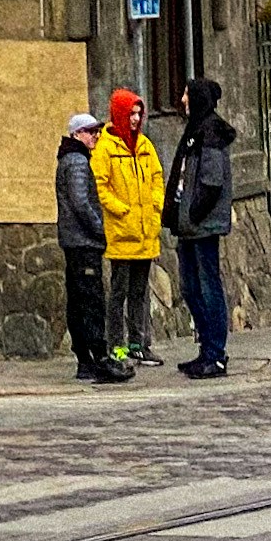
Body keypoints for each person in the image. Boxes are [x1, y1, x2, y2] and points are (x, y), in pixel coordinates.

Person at [165, 71, 236, 378]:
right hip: (189, 225)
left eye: (186, 94)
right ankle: (206, 348)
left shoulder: (210, 134)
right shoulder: (195, 131)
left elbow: (211, 183)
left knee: (208, 287)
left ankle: (215, 354)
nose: (182, 100)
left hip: (202, 226)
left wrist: (192, 214)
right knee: (191, 288)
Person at [91, 84, 164, 378]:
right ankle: (117, 346)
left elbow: (157, 178)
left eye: (138, 113)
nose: (135, 119)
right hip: (121, 231)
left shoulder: (145, 146)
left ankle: (138, 343)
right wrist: (121, 209)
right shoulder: (106, 148)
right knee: (118, 292)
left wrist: (156, 205)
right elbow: (100, 186)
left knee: (139, 291)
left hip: (145, 232)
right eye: (131, 113)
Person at [55, 111, 108, 381]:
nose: (96, 136)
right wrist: (99, 228)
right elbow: (80, 202)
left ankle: (85, 360)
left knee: (78, 301)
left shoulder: (70, 158)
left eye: (97, 131)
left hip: (74, 240)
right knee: (90, 301)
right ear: (77, 134)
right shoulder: (76, 161)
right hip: (83, 241)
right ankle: (98, 357)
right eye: (90, 131)